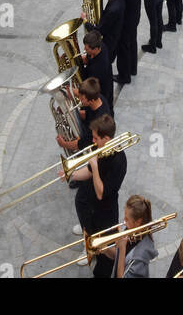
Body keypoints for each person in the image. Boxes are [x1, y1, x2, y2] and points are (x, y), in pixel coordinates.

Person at [65, 115, 127, 278]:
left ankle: (93, 253)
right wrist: (71, 173)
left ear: (106, 138)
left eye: (95, 138)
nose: (92, 141)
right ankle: (90, 245)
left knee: (105, 254)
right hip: (91, 205)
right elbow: (89, 172)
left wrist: (94, 165)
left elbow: (101, 193)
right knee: (89, 227)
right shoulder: (100, 148)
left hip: (106, 211)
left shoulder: (119, 161)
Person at [57, 77, 111, 154]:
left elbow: (80, 144)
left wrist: (63, 144)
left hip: (93, 147)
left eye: (81, 99)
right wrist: (70, 92)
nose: (79, 99)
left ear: (91, 101)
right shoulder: (98, 97)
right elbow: (88, 114)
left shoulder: (97, 124)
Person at [112, 195, 158, 279]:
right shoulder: (129, 228)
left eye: (127, 219)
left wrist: (122, 249)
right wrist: (104, 249)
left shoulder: (140, 255)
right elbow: (117, 256)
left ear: (138, 222)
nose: (124, 222)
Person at [115, 0, 144, 85]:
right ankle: (133, 69)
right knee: (133, 41)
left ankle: (124, 76)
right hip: (136, 16)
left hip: (125, 20)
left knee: (123, 48)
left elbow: (118, 5)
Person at [79, 29, 114, 110]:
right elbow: (89, 59)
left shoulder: (99, 68)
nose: (84, 50)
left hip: (99, 95)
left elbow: (89, 87)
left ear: (95, 49)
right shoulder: (101, 45)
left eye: (87, 49)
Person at [99, 0, 126, 69]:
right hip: (115, 33)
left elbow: (101, 30)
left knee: (105, 63)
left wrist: (86, 22)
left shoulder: (113, 9)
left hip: (110, 40)